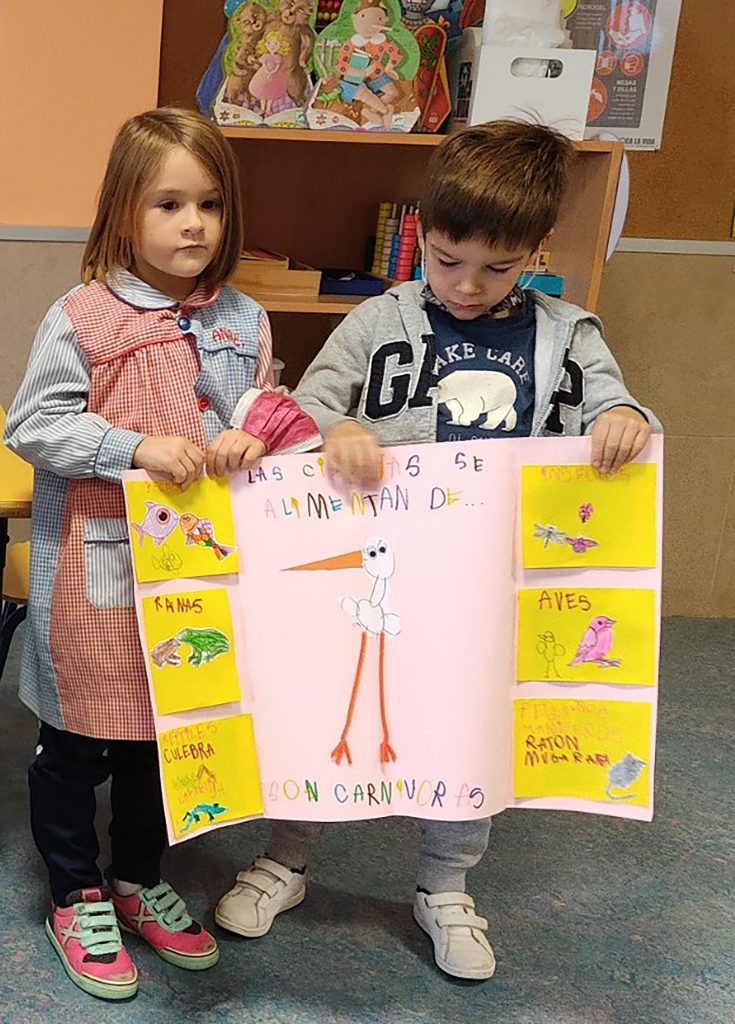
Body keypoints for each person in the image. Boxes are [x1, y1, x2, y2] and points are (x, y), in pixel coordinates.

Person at [214, 120, 661, 982]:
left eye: (497, 268)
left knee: (465, 725)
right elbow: (306, 407)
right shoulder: (378, 317)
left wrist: (624, 419)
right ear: (422, 231)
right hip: (375, 563)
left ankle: (446, 886)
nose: (464, 286)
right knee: (338, 708)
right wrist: (337, 427)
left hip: (480, 583)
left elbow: (620, 410)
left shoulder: (567, 333)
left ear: (534, 250)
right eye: (447, 258)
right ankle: (288, 858)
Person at [4, 106, 318, 1002]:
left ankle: (140, 876)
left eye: (210, 204)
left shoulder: (245, 319)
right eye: (169, 204)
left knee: (161, 743)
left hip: (200, 580)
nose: (193, 225)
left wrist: (256, 438)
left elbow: (271, 412)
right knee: (75, 746)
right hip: (96, 580)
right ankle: (75, 891)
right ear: (121, 213)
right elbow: (34, 424)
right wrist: (132, 446)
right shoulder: (84, 317)